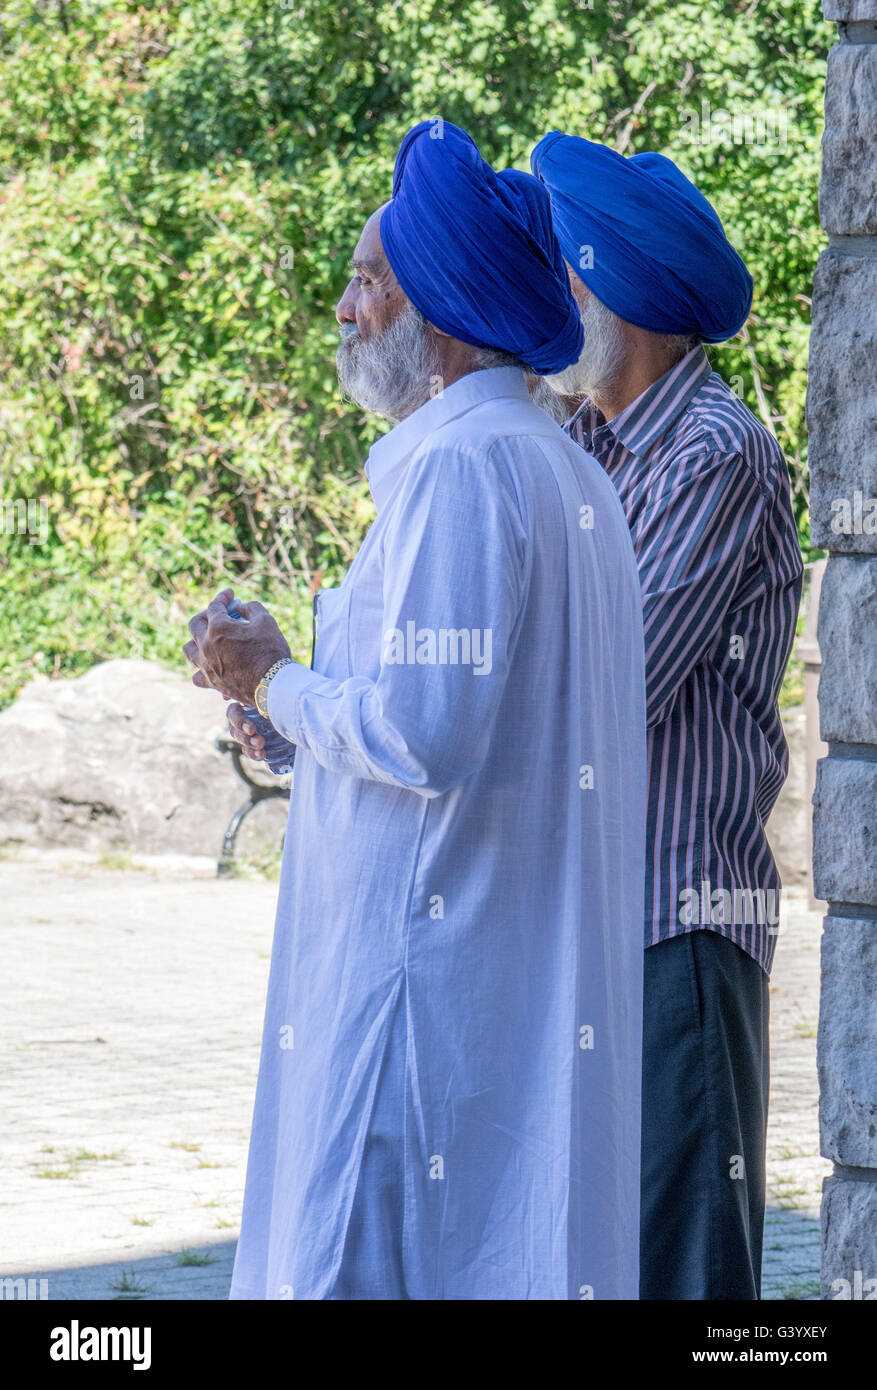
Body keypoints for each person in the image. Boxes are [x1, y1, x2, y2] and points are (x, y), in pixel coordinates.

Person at [184, 119, 647, 1300]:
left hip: (423, 999)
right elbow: (465, 723)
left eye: (365, 283)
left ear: (438, 320)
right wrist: (297, 725)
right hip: (498, 995)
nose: (344, 310)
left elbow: (425, 733)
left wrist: (270, 677)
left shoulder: (460, 469)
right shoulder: (559, 467)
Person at [530, 130, 804, 1300]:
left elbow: (606, 687)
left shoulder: (712, 450)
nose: (547, 301)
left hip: (673, 930)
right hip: (590, 932)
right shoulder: (578, 447)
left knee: (686, 1279)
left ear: (607, 288)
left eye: (562, 274)